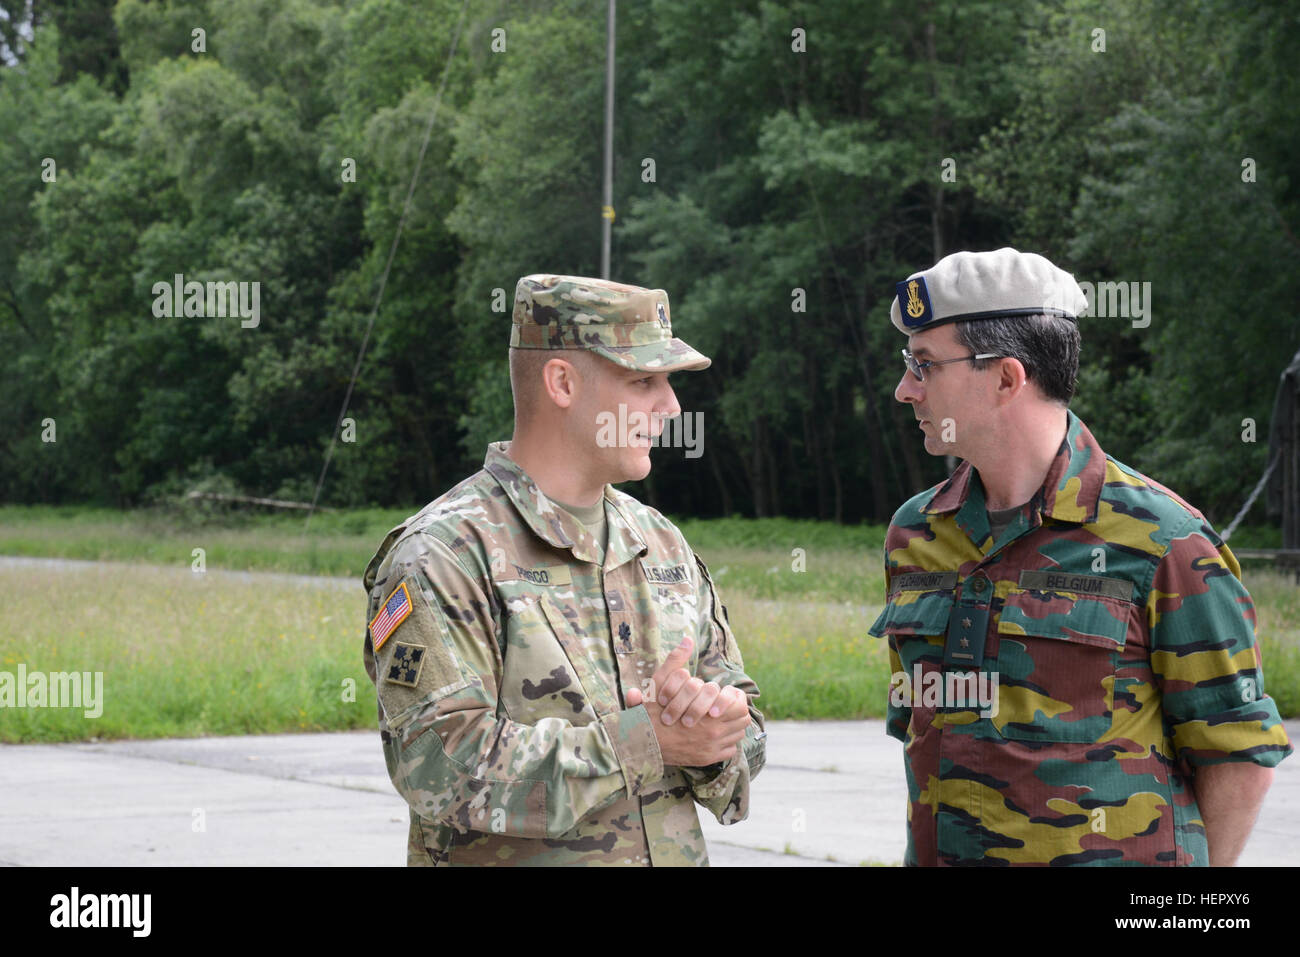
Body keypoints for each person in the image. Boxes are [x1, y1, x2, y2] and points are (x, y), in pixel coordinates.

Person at [870, 247, 1292, 866]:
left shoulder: (1162, 540)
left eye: (925, 365)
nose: (905, 389)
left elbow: (1236, 753)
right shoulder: (917, 531)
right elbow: (919, 730)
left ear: (1008, 379)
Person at [362, 273, 766, 866]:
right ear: (562, 383)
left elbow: (747, 725)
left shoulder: (660, 544)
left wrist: (713, 735)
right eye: (643, 380)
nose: (671, 407)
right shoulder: (444, 554)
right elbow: (437, 764)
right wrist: (645, 740)